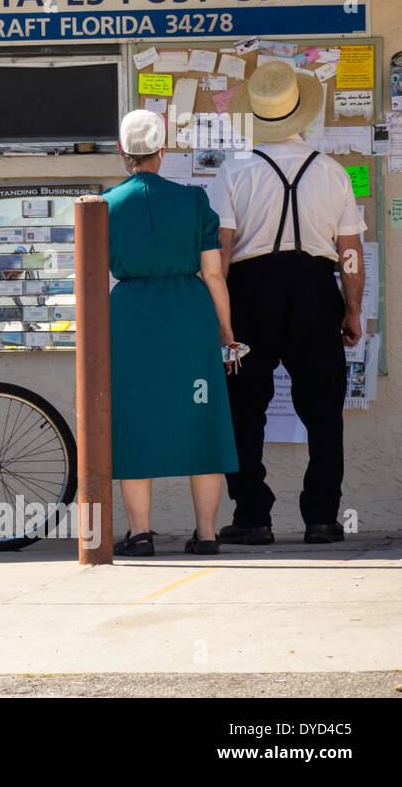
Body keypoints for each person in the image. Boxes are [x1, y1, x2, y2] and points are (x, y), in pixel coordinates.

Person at [208, 61, 366, 545]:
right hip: (316, 292)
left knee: (244, 408)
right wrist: (352, 308)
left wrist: (223, 317)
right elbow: (350, 254)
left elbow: (222, 248)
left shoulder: (234, 171)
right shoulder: (334, 173)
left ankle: (253, 516)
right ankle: (321, 518)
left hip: (251, 293)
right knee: (322, 412)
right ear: (301, 116)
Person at [103, 110, 239, 557]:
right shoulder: (195, 202)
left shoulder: (104, 204)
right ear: (163, 152)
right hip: (190, 317)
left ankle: (140, 534)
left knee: (134, 421)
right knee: (202, 422)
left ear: (124, 154)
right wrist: (226, 331)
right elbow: (214, 273)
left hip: (129, 318)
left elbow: (88, 280)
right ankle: (206, 534)